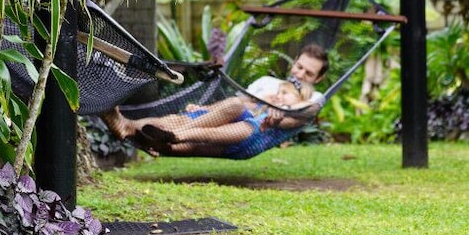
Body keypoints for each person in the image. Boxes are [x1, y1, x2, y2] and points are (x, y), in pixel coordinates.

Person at [103, 81, 316, 159]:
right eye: (279, 91)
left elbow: (310, 109)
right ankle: (128, 128)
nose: (279, 95)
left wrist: (285, 110)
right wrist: (203, 108)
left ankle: (177, 134)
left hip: (246, 138)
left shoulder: (297, 116)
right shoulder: (264, 101)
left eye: (285, 93)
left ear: (300, 99)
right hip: (220, 129)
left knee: (243, 118)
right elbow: (229, 107)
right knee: (173, 125)